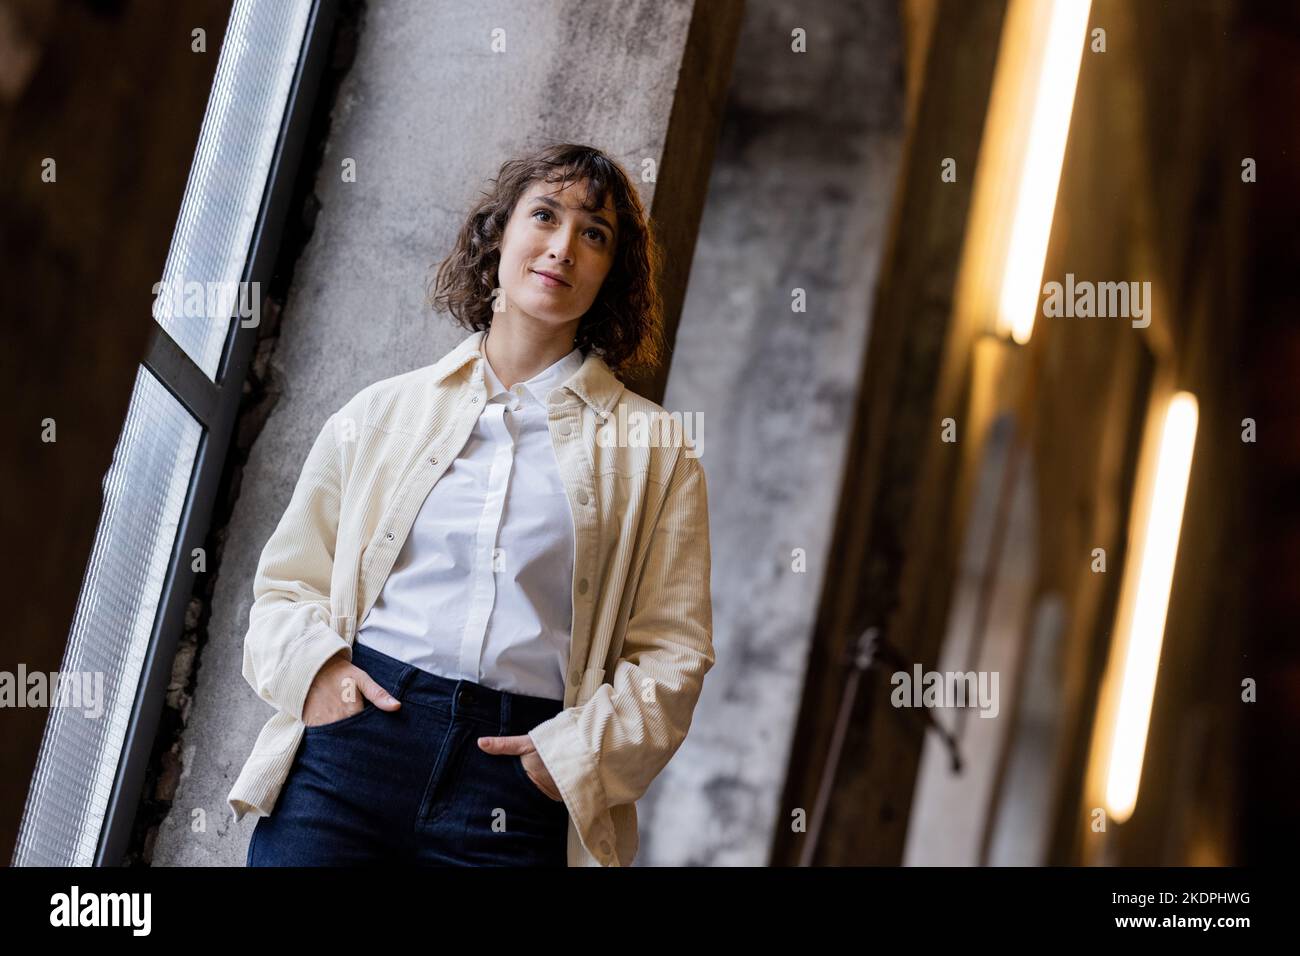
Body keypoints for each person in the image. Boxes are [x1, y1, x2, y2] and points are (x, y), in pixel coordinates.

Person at [232, 143, 714, 866]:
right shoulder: (384, 410)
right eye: (544, 216)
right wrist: (320, 676)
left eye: (594, 234)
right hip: (353, 752)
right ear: (500, 236)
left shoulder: (656, 453)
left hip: (514, 787)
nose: (562, 247)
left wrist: (573, 756)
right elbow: (287, 582)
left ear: (611, 272)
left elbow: (674, 653)